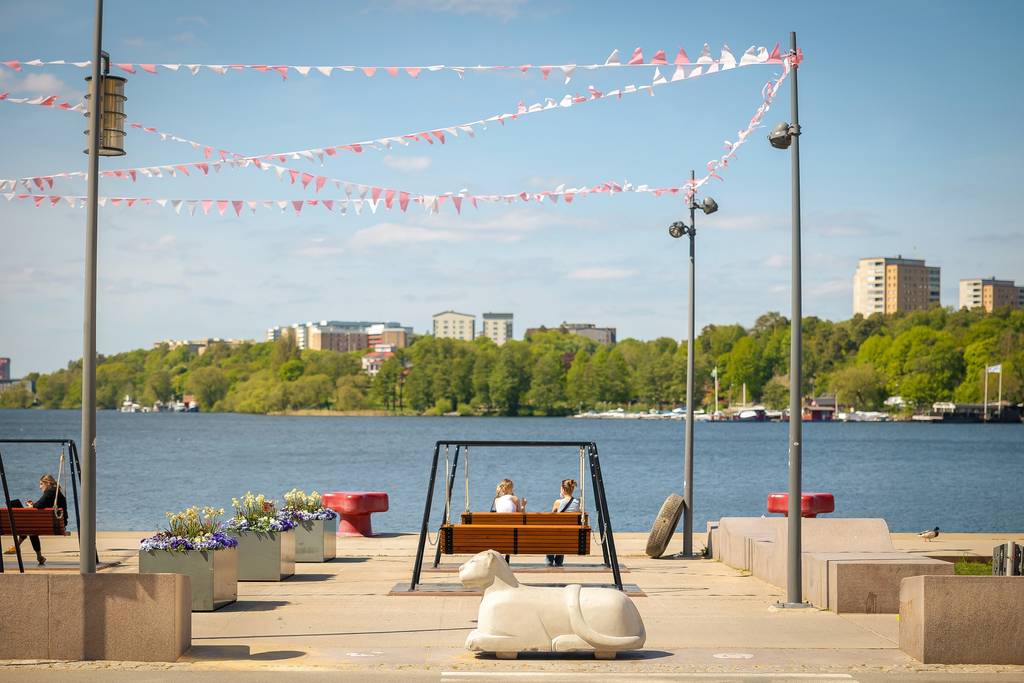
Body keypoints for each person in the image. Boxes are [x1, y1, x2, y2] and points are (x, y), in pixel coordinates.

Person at [3, 474, 68, 566]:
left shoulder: (50, 492)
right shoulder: (55, 492)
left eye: (41, 484)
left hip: (54, 524)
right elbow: (41, 504)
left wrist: (32, 506)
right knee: (31, 527)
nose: (40, 487)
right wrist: (33, 505)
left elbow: (38, 505)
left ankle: (18, 544)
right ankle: (38, 556)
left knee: (29, 525)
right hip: (55, 523)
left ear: (48, 483)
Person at [546, 478, 581, 567]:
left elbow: (551, 517)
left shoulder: (558, 502)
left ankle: (549, 562)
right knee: (562, 535)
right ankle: (559, 562)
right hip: (570, 535)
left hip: (557, 534)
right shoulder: (578, 502)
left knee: (552, 534)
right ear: (572, 489)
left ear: (563, 489)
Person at [491, 479, 526, 565]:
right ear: (511, 488)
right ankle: (507, 555)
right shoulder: (515, 498)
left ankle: (502, 556)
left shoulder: (496, 500)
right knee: (512, 528)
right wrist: (523, 505)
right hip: (512, 531)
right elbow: (521, 515)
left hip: (500, 530)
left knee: (505, 527)